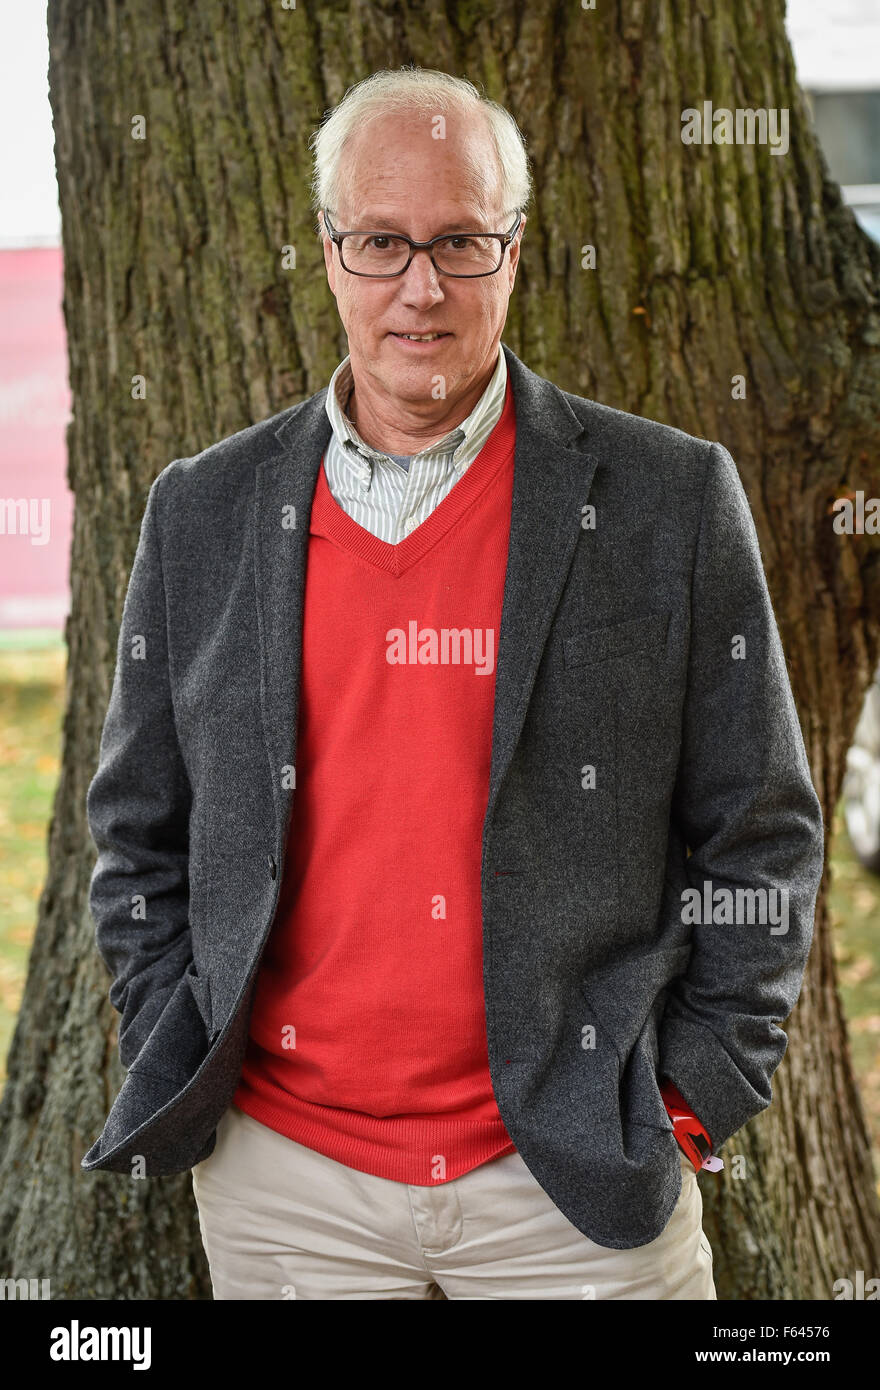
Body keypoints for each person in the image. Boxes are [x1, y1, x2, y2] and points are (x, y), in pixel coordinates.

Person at [82, 67, 825, 1301]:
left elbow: (762, 831)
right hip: (288, 1187)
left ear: (514, 252)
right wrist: (172, 1024)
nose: (420, 287)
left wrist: (693, 1096)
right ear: (329, 254)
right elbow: (137, 831)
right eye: (382, 242)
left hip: (575, 1183)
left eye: (460, 243)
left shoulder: (667, 501)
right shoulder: (203, 511)